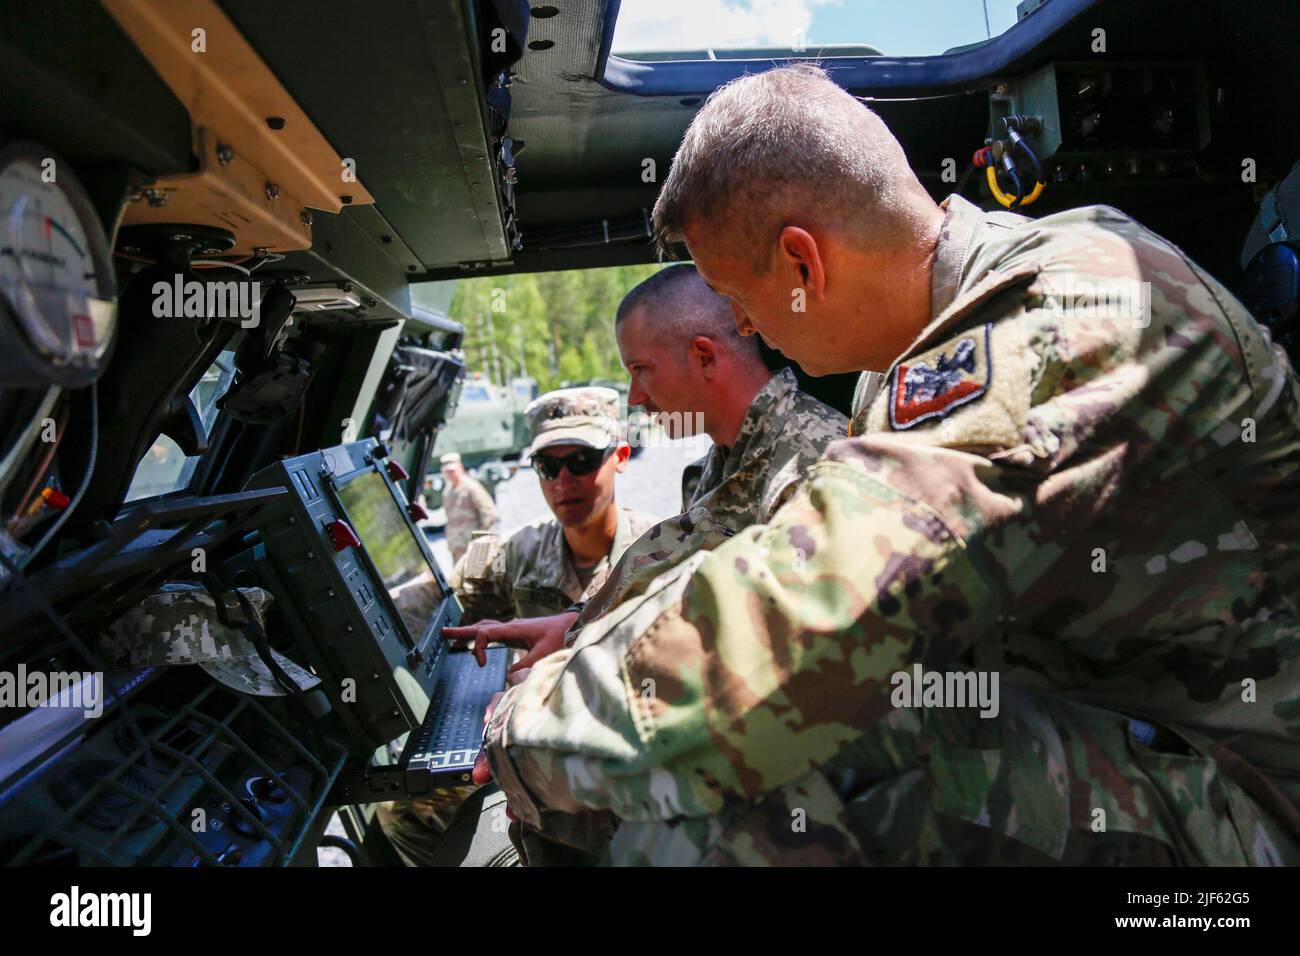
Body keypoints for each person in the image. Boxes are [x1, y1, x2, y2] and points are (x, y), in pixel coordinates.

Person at [474, 64, 1300, 865]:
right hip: (1117, 727)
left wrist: (527, 732)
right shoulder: (909, 357)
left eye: (737, 300)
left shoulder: (1067, 307)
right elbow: (784, 551)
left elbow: (810, 607)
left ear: (804, 264)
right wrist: (593, 638)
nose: (745, 330)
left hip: (1250, 798)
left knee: (808, 762)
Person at [438, 452, 497, 564]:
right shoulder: (447, 491)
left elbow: (489, 514)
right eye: (446, 471)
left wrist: (480, 539)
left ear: (460, 467)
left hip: (473, 545)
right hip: (457, 546)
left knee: (477, 579)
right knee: (459, 579)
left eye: (452, 470)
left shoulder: (471, 487)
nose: (449, 474)